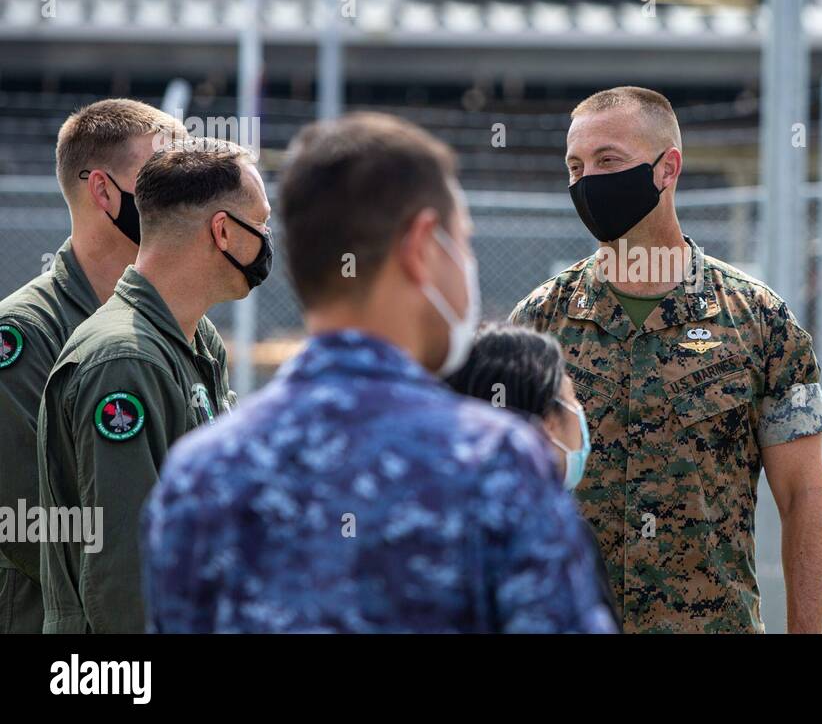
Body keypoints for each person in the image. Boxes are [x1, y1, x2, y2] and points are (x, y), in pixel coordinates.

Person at [141, 112, 616, 633]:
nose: (466, 263)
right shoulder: (491, 463)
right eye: (462, 240)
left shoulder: (198, 477)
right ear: (420, 248)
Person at [510, 86, 822, 633]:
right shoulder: (540, 322)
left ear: (668, 168)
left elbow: (804, 495)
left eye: (608, 160)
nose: (587, 182)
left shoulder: (757, 320)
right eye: (575, 166)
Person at [37, 139, 264, 633]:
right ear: (222, 231)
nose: (267, 238)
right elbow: (127, 572)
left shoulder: (192, 338)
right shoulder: (125, 360)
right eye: (262, 224)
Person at [0, 99, 192, 634]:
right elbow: (31, 526)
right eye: (160, 183)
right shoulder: (22, 335)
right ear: (104, 192)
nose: (184, 202)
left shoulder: (179, 325)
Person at [445, 321, 618, 623]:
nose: (580, 413)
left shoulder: (429, 520)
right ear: (549, 422)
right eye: (573, 398)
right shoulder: (551, 532)